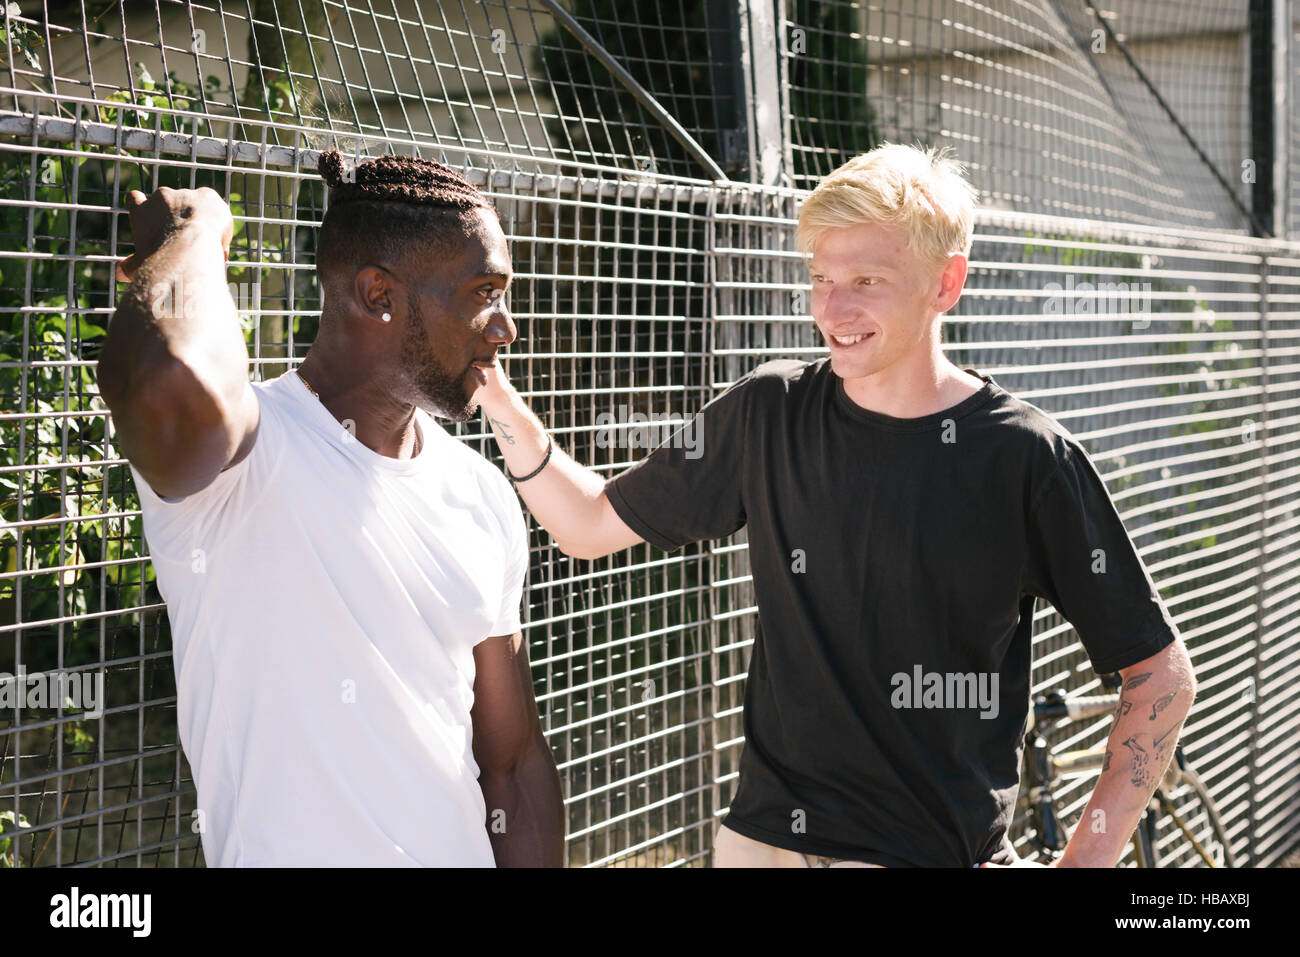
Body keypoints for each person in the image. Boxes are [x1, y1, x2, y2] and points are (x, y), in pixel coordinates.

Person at [473, 143, 1196, 868]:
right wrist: (494, 394)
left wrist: (1083, 863)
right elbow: (587, 524)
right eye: (821, 278)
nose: (832, 309)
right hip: (762, 850)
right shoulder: (768, 411)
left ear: (946, 283)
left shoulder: (1027, 457)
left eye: (866, 281)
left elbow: (1160, 677)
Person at [96, 150, 563, 867]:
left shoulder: (482, 492)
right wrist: (194, 229)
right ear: (378, 294)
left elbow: (513, 763)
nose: (505, 328)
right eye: (483, 292)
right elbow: (167, 387)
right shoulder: (243, 460)